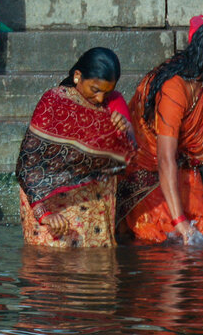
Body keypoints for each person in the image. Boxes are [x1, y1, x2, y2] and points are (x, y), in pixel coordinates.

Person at [117, 22, 203, 244]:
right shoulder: (174, 88)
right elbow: (165, 160)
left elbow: (201, 113)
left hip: (179, 164)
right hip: (144, 167)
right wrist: (179, 220)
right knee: (162, 236)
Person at [16, 48, 135, 247]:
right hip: (49, 205)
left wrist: (124, 129)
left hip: (92, 209)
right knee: (49, 268)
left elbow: (127, 154)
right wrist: (42, 213)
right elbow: (30, 162)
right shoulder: (53, 101)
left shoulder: (113, 101)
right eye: (95, 90)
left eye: (106, 92)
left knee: (94, 267)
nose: (99, 99)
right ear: (78, 76)